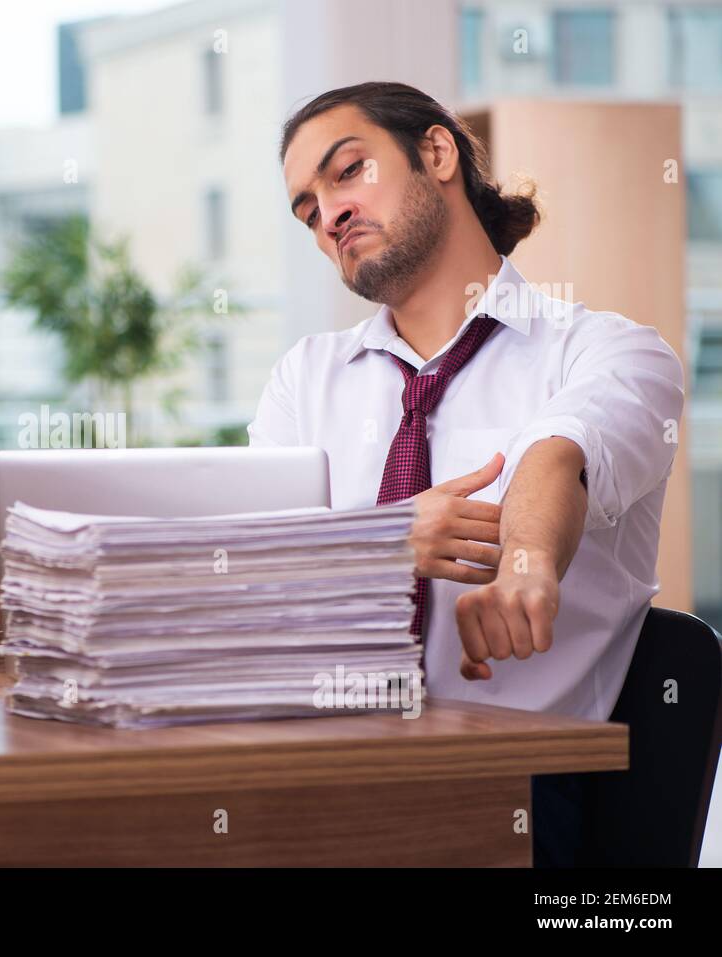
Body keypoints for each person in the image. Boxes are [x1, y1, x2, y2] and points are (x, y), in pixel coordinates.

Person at [250, 81, 685, 866]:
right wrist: (380, 541)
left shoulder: (608, 351)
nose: (330, 214)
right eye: (308, 208)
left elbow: (556, 453)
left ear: (437, 153)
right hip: (312, 762)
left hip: (506, 790)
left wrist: (524, 564)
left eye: (347, 172)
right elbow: (253, 565)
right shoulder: (303, 377)